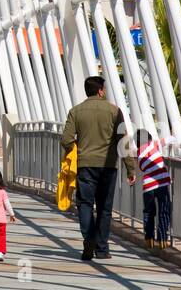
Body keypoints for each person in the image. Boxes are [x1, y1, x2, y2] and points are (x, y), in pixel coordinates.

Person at [60, 75, 136, 262]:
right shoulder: (113, 111)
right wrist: (131, 169)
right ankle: (102, 249)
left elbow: (66, 140)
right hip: (108, 167)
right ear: (101, 91)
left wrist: (80, 146)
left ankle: (89, 239)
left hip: (85, 165)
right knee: (104, 207)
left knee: (85, 204)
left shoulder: (75, 111)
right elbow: (123, 141)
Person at [133, 129, 172, 249]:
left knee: (149, 212)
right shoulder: (154, 144)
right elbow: (170, 139)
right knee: (164, 210)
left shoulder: (139, 154)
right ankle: (162, 239)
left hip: (147, 186)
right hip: (161, 183)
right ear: (149, 138)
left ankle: (149, 238)